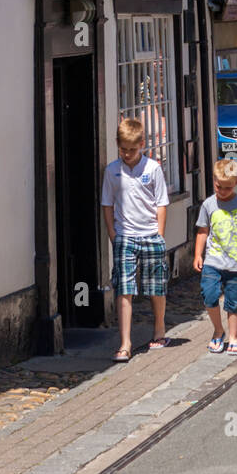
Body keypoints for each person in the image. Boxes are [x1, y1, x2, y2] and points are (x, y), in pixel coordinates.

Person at [101, 117, 170, 362]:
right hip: (125, 236)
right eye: (123, 150)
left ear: (142, 144)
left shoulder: (152, 169)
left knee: (155, 285)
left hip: (150, 233)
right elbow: (107, 204)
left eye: (132, 149)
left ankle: (159, 328)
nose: (128, 154)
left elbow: (161, 203)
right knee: (124, 288)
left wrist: (159, 235)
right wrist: (113, 234)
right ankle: (125, 342)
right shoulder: (112, 171)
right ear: (118, 145)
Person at [194, 157, 237, 355]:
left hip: (236, 262)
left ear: (236, 183)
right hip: (213, 261)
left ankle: (233, 337)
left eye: (228, 188)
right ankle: (218, 329)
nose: (222, 191)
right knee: (209, 295)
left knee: (234, 302)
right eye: (219, 187)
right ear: (214, 181)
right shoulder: (208, 205)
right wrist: (198, 254)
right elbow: (202, 231)